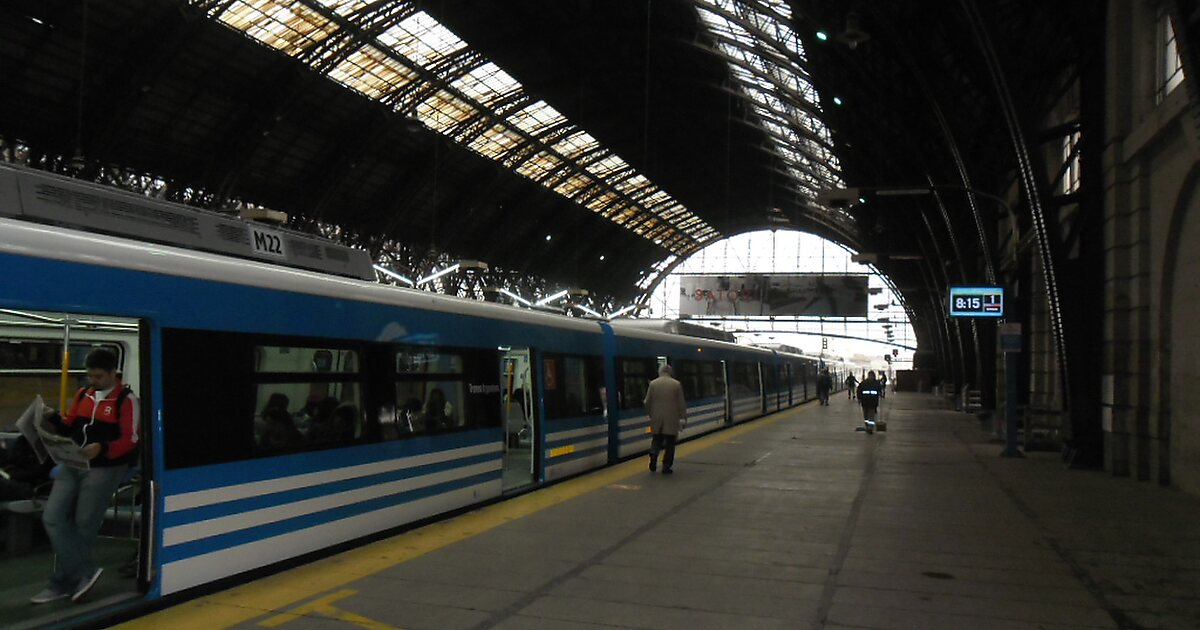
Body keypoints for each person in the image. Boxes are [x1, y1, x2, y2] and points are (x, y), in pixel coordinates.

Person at [32, 348, 138, 604]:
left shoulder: (127, 400)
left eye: (99, 376)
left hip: (106, 466)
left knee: (84, 523)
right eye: (90, 376)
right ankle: (83, 573)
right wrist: (53, 419)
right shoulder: (84, 394)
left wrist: (102, 448)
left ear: (114, 373)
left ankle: (61, 582)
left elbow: (130, 440)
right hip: (75, 461)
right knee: (53, 516)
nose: (93, 381)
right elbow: (71, 425)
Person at [643, 364, 687, 474]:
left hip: (656, 418)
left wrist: (650, 413)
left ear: (660, 371)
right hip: (671, 419)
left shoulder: (653, 384)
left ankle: (653, 455)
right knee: (670, 444)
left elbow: (647, 402)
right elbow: (681, 404)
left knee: (656, 440)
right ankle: (666, 466)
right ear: (670, 372)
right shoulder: (676, 384)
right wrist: (682, 418)